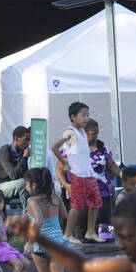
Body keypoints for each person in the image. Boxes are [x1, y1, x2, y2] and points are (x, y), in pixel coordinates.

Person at [50, 101, 103, 244]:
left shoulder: (81, 132)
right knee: (76, 206)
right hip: (78, 175)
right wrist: (65, 162)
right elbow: (55, 147)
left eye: (88, 115)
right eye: (83, 115)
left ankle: (90, 232)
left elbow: (75, 151)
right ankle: (67, 234)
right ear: (73, 117)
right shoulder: (71, 132)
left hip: (89, 174)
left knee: (96, 203)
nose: (86, 118)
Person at [24, 168, 72, 272]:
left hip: (40, 244)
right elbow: (65, 215)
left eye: (26, 184)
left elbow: (38, 220)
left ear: (34, 185)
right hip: (57, 243)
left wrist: (30, 242)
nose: (26, 187)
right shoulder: (56, 198)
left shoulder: (32, 201)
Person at [84, 119, 123, 228]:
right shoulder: (75, 148)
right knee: (85, 224)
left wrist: (122, 175)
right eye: (93, 134)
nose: (96, 136)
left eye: (97, 133)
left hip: (103, 192)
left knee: (103, 222)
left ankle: (103, 239)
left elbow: (111, 165)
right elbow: (62, 167)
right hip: (83, 193)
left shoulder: (101, 146)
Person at [0, 126, 31, 198]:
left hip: (12, 185)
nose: (28, 143)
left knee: (31, 183)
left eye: (29, 140)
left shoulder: (21, 151)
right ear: (16, 139)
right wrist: (24, 157)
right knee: (23, 183)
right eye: (25, 140)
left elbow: (24, 173)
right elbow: (14, 175)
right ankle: (26, 209)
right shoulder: (4, 151)